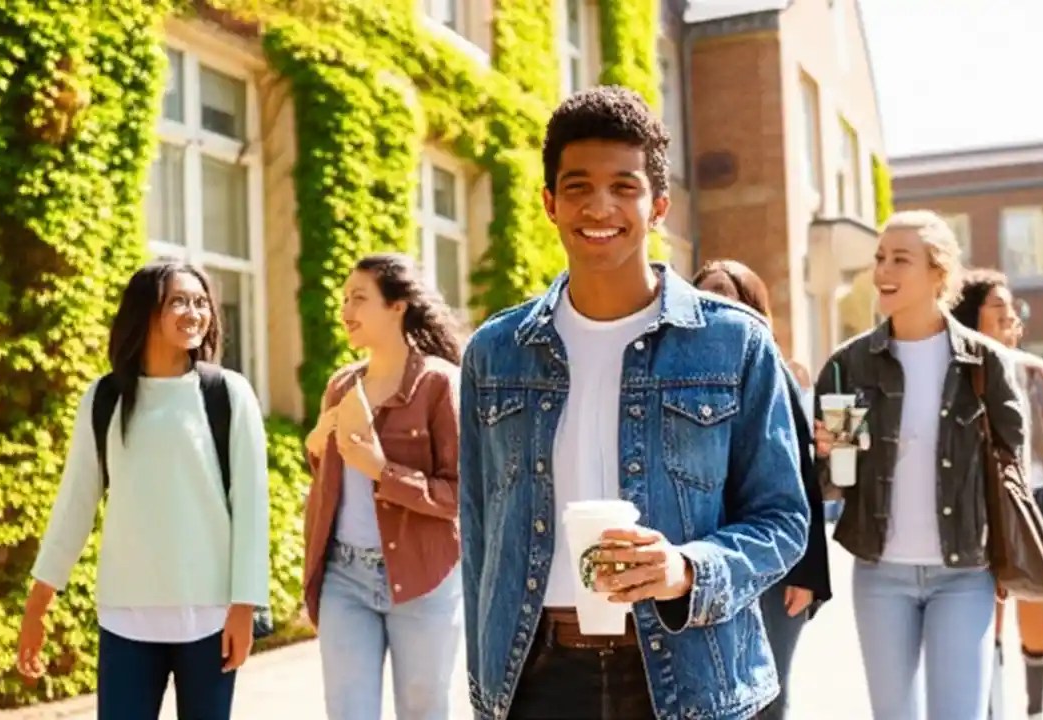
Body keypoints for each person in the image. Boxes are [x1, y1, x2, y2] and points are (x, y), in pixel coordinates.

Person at [459, 86, 809, 720]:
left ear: (659, 206)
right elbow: (481, 539)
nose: (600, 206)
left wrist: (686, 571)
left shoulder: (734, 343)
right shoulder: (494, 353)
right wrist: (487, 695)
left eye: (624, 187)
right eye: (577, 187)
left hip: (691, 674)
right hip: (537, 678)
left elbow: (783, 521)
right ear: (549, 203)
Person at [16, 261, 270, 720]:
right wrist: (37, 607)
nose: (194, 312)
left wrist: (243, 609)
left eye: (200, 302)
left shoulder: (229, 394)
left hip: (209, 617)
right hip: (125, 616)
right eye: (178, 301)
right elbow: (75, 503)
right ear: (145, 312)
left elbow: (251, 508)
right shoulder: (104, 398)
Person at [811, 211, 1026, 720]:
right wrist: (826, 455)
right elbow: (830, 486)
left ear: (939, 272)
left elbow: (1011, 462)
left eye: (900, 259)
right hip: (880, 572)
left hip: (964, 574)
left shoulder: (984, 361)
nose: (883, 270)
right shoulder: (848, 364)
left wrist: (1007, 557)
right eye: (880, 258)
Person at [302, 253, 465, 720]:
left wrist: (382, 470)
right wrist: (317, 447)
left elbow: (459, 495)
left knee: (423, 712)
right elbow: (332, 484)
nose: (345, 310)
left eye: (359, 298)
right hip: (344, 577)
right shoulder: (341, 385)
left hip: (423, 579)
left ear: (397, 306)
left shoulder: (439, 384)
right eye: (344, 299)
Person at [692, 259, 831, 720]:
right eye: (706, 295)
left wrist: (807, 572)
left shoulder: (770, 370)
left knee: (769, 695)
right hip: (701, 555)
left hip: (773, 565)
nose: (714, 306)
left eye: (726, 296)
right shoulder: (678, 376)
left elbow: (798, 478)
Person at [951, 268, 1043, 720]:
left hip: (1034, 504)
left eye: (1012, 305)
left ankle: (1035, 709)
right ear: (972, 315)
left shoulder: (1033, 369)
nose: (1009, 312)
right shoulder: (958, 371)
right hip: (979, 509)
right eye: (997, 305)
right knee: (987, 623)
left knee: (1037, 622)